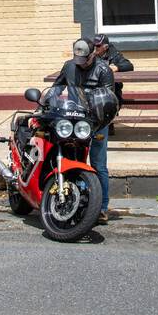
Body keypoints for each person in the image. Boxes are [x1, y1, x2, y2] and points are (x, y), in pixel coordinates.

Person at [48, 38, 117, 225]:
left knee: (98, 164)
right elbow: (56, 88)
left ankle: (102, 207)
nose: (81, 64)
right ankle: (77, 201)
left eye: (85, 59)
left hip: (97, 121)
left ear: (93, 53)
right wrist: (46, 101)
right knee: (73, 160)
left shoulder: (104, 70)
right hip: (74, 118)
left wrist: (100, 121)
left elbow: (110, 100)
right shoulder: (69, 66)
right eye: (78, 59)